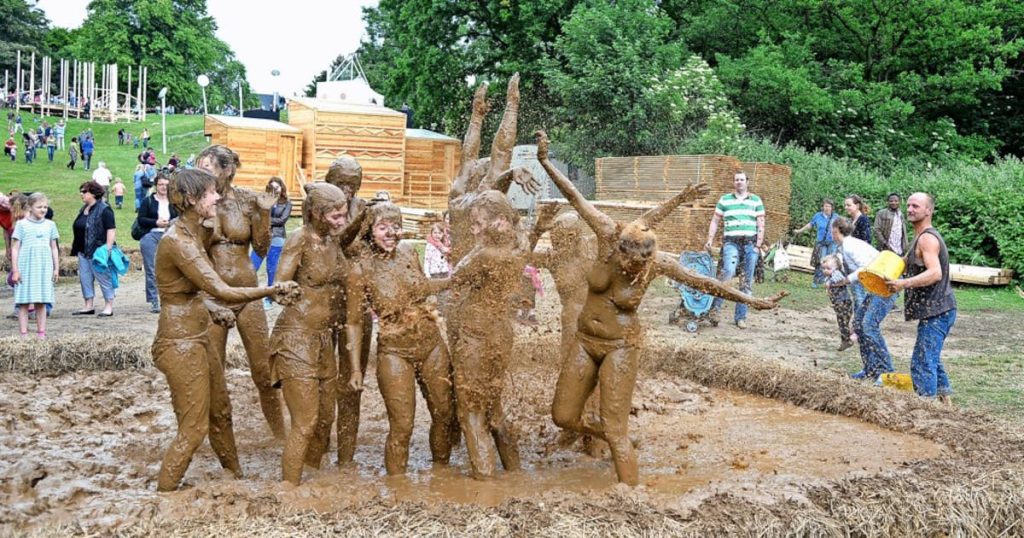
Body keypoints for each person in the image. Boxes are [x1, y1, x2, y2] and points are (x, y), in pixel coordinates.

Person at [536, 130, 784, 485]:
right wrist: (545, 160)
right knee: (562, 415)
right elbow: (574, 196)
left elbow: (706, 283)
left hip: (620, 347)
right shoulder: (609, 231)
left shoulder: (657, 263)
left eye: (641, 263)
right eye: (628, 260)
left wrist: (751, 300)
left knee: (614, 426)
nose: (633, 268)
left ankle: (632, 499)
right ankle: (613, 438)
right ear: (619, 248)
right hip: (584, 340)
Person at [152, 168, 299, 492]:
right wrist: (271, 290)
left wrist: (211, 309)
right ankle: (164, 497)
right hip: (179, 342)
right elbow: (221, 289)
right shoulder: (178, 242)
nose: (218, 197)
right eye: (209, 193)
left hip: (197, 334)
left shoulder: (192, 234)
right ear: (191, 200)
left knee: (221, 410)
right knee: (193, 429)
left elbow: (185, 292)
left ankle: (235, 476)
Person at [344, 202, 458, 476]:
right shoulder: (361, 269)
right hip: (395, 352)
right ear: (370, 231)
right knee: (403, 425)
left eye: (395, 226)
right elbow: (354, 322)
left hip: (431, 343)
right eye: (383, 227)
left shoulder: (409, 252)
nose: (391, 233)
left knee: (444, 414)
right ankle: (397, 485)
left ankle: (441, 475)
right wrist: (356, 369)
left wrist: (457, 280)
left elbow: (422, 288)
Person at [270, 182, 360, 485]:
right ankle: (288, 490)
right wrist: (287, 290)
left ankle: (312, 475)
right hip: (296, 337)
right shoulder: (299, 240)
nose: (342, 222)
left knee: (325, 420)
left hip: (323, 340)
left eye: (344, 214)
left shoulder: (332, 242)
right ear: (317, 214)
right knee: (305, 421)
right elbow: (278, 286)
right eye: (336, 216)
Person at [197, 144, 286, 440]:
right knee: (213, 372)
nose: (200, 172)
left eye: (206, 167)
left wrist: (262, 213)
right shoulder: (197, 201)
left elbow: (261, 246)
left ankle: (281, 435)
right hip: (212, 295)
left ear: (227, 169)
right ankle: (220, 440)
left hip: (247, 292)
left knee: (263, 371)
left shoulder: (247, 200)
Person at [322, 156, 374, 465]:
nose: (348, 190)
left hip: (358, 304)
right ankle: (319, 444)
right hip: (326, 305)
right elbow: (335, 244)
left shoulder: (364, 206)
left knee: (353, 381)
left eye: (353, 185)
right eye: (342, 184)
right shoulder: (319, 204)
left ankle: (346, 456)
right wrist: (359, 220)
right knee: (324, 380)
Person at [886, 193, 956, 403]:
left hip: (938, 311)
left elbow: (935, 273)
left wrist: (903, 284)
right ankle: (945, 402)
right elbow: (903, 262)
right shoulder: (919, 236)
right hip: (939, 309)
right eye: (908, 205)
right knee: (930, 358)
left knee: (922, 361)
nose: (909, 209)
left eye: (915, 206)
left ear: (928, 210)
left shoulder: (927, 238)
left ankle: (926, 410)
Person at [830, 217, 897, 383]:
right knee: (859, 323)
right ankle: (870, 369)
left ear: (836, 230)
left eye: (833, 230)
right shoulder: (845, 246)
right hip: (876, 287)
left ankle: (885, 372)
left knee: (869, 325)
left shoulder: (851, 246)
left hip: (886, 285)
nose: (832, 233)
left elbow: (865, 267)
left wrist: (846, 280)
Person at [704, 170, 766, 329]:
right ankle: (715, 310)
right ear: (734, 182)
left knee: (746, 281)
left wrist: (758, 245)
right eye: (736, 180)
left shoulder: (756, 200)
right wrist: (709, 239)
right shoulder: (725, 200)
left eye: (742, 179)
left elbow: (761, 224)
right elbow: (715, 221)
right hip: (731, 243)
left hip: (750, 244)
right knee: (727, 273)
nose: (739, 182)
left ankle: (740, 317)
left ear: (747, 182)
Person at [10, 193, 59, 339]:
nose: (43, 209)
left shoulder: (50, 225)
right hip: (26, 267)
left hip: (44, 267)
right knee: (24, 302)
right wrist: (15, 270)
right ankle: (24, 334)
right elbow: (15, 248)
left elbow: (54, 247)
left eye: (45, 207)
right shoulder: (21, 224)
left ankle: (41, 333)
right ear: (30, 207)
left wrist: (56, 268)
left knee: (42, 301)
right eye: (39, 207)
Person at [71, 181, 116, 316]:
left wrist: (108, 249)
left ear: (94, 193)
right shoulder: (83, 208)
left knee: (104, 278)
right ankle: (88, 305)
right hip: (83, 250)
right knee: (85, 278)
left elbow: (111, 229)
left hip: (99, 250)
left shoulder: (104, 208)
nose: (82, 194)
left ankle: (108, 306)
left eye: (84, 192)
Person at [137, 172, 177, 313]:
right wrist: (156, 222)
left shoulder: (175, 202)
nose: (163, 187)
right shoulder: (148, 201)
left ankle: (170, 298)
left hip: (170, 235)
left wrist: (169, 223)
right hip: (151, 235)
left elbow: (182, 218)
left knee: (172, 269)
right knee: (152, 269)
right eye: (161, 184)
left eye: (166, 185)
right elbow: (141, 219)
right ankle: (154, 300)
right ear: (156, 185)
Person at [250, 177, 291, 311]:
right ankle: (246, 295)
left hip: (277, 238)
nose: (275, 190)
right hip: (261, 237)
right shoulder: (264, 201)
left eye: (277, 187)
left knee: (271, 269)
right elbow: (256, 216)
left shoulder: (287, 203)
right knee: (251, 266)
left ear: (281, 187)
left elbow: (282, 220)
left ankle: (269, 298)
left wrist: (266, 219)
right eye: (272, 187)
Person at [793, 198, 839, 287]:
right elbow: (810, 225)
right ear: (823, 207)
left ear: (832, 208)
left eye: (829, 206)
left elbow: (841, 229)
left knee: (832, 262)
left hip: (832, 242)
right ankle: (817, 281)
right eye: (825, 206)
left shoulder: (836, 217)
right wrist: (799, 231)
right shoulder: (818, 216)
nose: (827, 208)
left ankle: (830, 282)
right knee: (821, 261)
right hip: (821, 242)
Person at [820, 254, 855, 351]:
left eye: (828, 268)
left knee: (843, 322)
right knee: (842, 323)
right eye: (824, 268)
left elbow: (839, 279)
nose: (825, 270)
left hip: (843, 302)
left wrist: (830, 283)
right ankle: (846, 339)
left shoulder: (836, 273)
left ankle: (848, 338)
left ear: (836, 267)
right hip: (838, 303)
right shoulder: (829, 276)